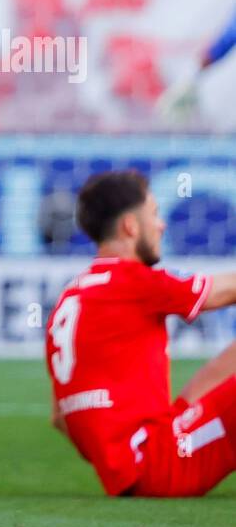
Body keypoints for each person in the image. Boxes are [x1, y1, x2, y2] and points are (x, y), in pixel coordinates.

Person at [46, 170, 236, 497]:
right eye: (154, 215)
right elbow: (217, 293)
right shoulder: (132, 281)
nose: (161, 226)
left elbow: (60, 418)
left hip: (131, 463)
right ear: (131, 227)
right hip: (160, 460)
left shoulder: (72, 295)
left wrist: (114, 457)